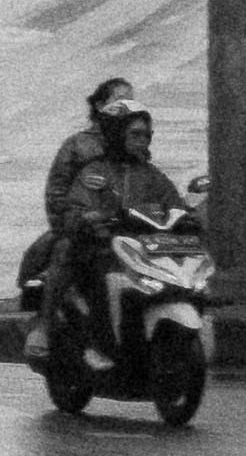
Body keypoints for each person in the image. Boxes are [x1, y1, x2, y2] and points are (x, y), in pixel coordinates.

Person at [23, 79, 195, 355]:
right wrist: (82, 220)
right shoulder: (83, 155)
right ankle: (49, 327)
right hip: (95, 236)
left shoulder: (150, 173)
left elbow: (172, 204)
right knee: (67, 253)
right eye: (134, 134)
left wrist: (186, 220)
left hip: (136, 240)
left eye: (144, 135)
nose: (140, 140)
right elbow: (62, 200)